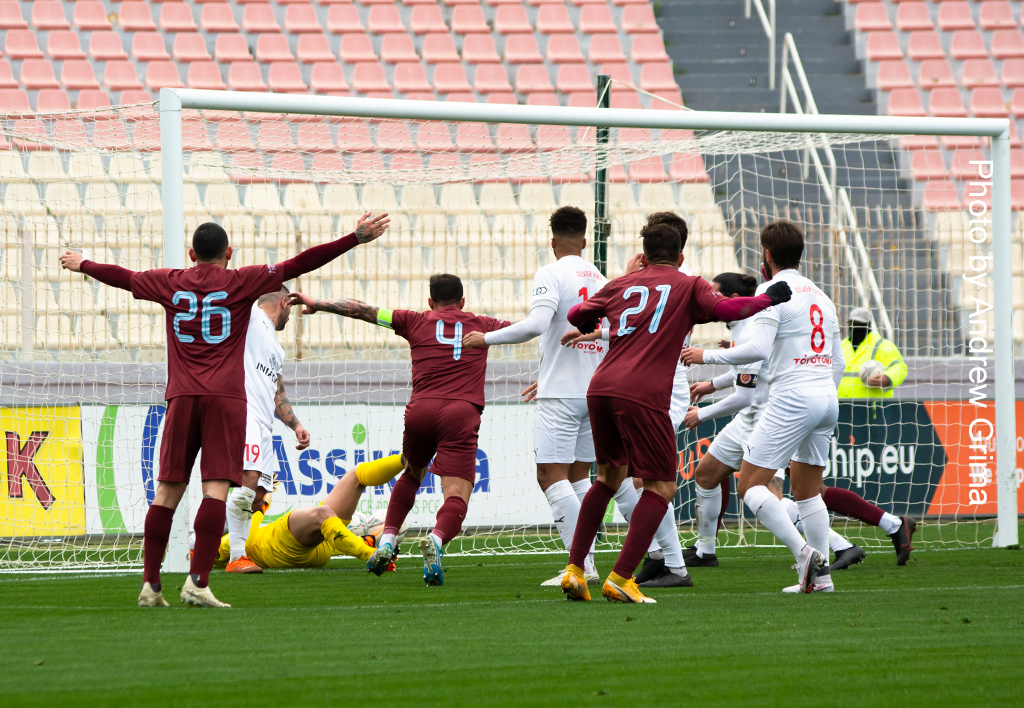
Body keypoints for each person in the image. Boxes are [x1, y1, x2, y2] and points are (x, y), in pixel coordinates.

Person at [59, 213, 390, 608]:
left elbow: (124, 277)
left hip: (181, 397)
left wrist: (84, 264)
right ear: (229, 253)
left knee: (166, 492)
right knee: (215, 491)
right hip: (225, 401)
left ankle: (150, 586)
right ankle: (197, 583)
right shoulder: (240, 282)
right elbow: (301, 262)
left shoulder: (170, 281)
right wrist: (354, 238)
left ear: (191, 254)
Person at [560, 222, 792, 604]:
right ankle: (621, 578)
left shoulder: (622, 283)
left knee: (606, 478)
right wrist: (770, 299)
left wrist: (587, 320)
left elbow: (576, 313)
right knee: (662, 487)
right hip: (643, 393)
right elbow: (728, 307)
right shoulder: (688, 284)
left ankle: (575, 570)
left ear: (645, 254)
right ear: (681, 256)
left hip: (600, 388)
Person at [288, 274, 509, 586]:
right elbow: (530, 328)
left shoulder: (413, 320)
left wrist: (319, 303)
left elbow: (361, 309)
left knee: (412, 473)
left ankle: (388, 540)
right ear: (462, 302)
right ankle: (435, 540)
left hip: (420, 411)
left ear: (430, 301)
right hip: (460, 412)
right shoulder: (485, 324)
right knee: (456, 493)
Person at [682, 220, 846, 594]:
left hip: (793, 397)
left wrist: (705, 355)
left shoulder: (772, 291)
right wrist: (823, 392)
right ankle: (821, 579)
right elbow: (838, 361)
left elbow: (756, 349)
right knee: (808, 491)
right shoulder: (822, 296)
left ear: (767, 255)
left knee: (749, 485)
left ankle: (804, 555)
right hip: (826, 397)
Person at [461, 206, 607, 587]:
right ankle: (587, 563)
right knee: (579, 476)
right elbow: (607, 338)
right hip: (594, 391)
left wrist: (486, 338)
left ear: (553, 241)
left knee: (549, 475)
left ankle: (581, 566)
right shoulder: (602, 279)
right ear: (585, 240)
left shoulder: (551, 273)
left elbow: (538, 324)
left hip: (561, 395)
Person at [558, 212, 699, 589]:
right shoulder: (665, 280)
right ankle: (660, 557)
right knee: (627, 478)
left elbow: (644, 329)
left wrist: (627, 279)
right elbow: (635, 327)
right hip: (642, 382)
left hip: (663, 385)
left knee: (643, 480)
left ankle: (669, 562)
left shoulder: (677, 282)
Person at [679, 272, 768, 568]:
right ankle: (705, 551)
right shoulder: (742, 326)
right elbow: (745, 375)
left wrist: (701, 414)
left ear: (731, 300)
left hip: (766, 423)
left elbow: (745, 396)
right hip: (749, 420)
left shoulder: (752, 328)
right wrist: (711, 385)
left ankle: (839, 544)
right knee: (706, 475)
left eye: (713, 294)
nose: (708, 300)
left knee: (767, 497)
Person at [223, 285, 311, 574]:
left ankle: (198, 544)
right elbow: (237, 289)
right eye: (291, 308)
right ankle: (237, 556)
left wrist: (296, 425)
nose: (290, 315)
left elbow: (278, 395)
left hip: (264, 424)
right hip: (244, 413)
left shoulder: (276, 348)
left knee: (259, 495)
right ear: (284, 302)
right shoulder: (251, 317)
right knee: (246, 484)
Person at [213, 454, 405, 570]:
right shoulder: (223, 546)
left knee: (356, 476)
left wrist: (366, 539)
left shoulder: (229, 539)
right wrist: (262, 506)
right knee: (322, 514)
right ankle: (372, 554)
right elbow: (245, 538)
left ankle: (406, 459)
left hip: (317, 549)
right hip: (282, 546)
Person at [837, 307, 908, 398]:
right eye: (852, 324)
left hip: (874, 405)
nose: (855, 327)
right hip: (842, 404)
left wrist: (887, 378)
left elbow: (900, 367)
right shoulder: (841, 346)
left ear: (868, 325)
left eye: (860, 324)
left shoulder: (883, 345)